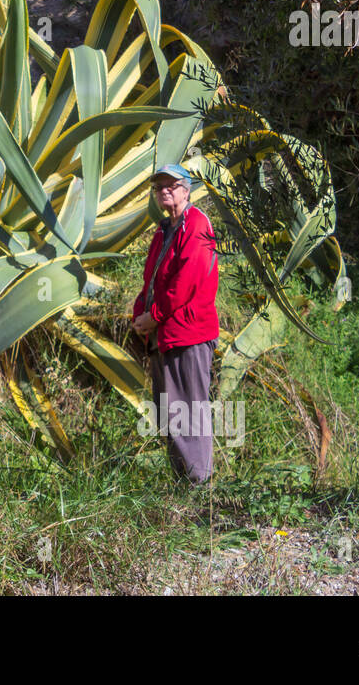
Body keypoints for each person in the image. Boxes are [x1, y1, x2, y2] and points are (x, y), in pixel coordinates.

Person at [130, 164, 220, 484]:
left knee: (190, 412)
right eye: (159, 187)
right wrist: (140, 314)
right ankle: (184, 483)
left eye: (172, 184)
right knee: (169, 413)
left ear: (187, 189)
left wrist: (152, 317)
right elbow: (150, 281)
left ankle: (199, 486)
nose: (164, 190)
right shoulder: (164, 230)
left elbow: (186, 283)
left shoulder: (196, 225)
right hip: (164, 335)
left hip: (188, 333)